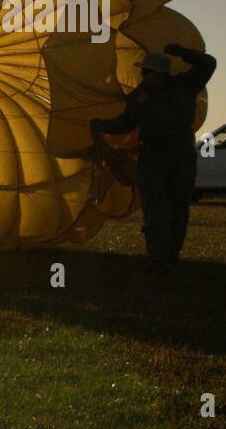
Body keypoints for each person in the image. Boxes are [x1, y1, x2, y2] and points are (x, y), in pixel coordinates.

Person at [91, 43, 216, 273]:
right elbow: (127, 122)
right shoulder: (140, 95)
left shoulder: (186, 84)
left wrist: (182, 52)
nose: (142, 76)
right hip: (151, 153)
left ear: (158, 74)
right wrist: (102, 125)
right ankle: (158, 258)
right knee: (155, 206)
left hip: (180, 153)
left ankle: (171, 255)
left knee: (178, 205)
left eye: (146, 72)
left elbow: (209, 63)